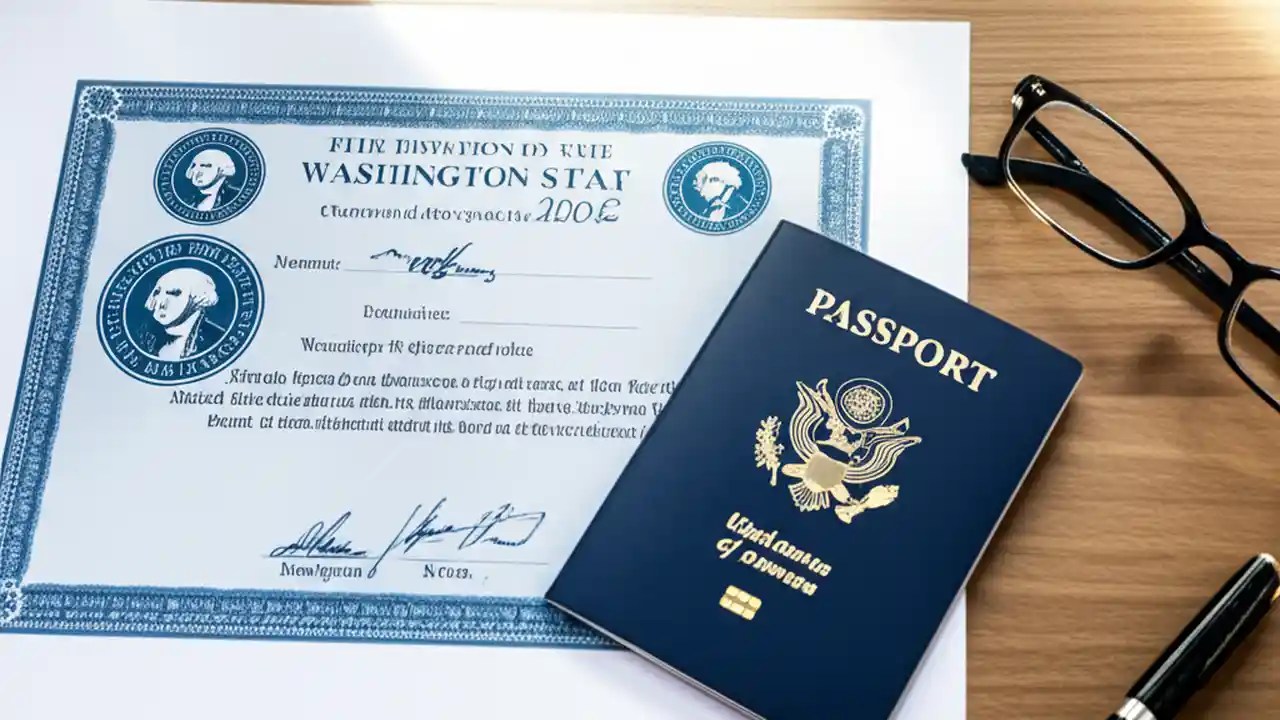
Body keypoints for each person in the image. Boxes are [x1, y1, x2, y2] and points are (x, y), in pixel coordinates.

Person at [133, 267, 226, 360]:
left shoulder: (217, 340)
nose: (161, 303)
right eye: (157, 292)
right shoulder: (142, 337)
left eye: (174, 293)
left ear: (198, 298)